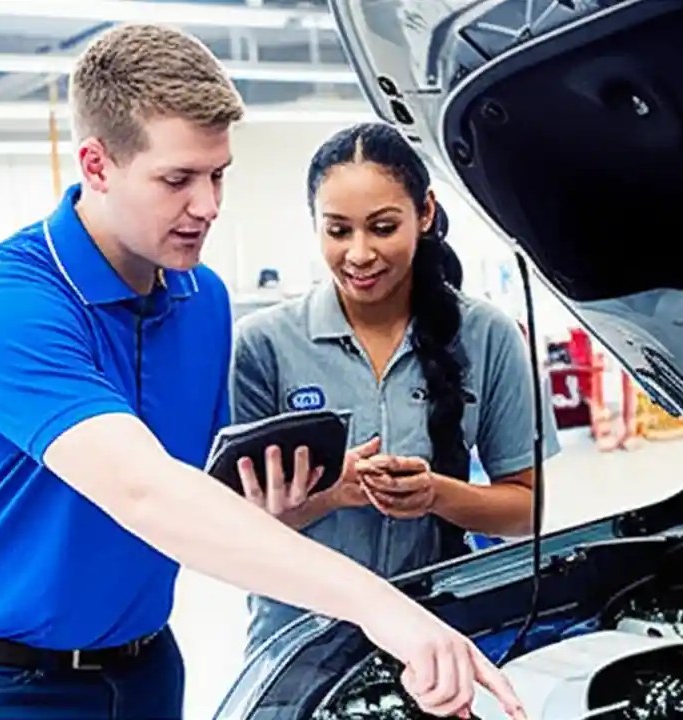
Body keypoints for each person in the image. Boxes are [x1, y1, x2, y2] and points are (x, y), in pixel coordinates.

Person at [0, 24, 526, 720]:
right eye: (177, 180)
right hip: (3, 684)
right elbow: (144, 491)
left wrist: (303, 500)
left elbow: (199, 489)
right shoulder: (10, 302)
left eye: (218, 174)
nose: (207, 205)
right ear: (97, 165)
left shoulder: (202, 301)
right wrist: (381, 607)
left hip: (146, 664)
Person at [231, 121, 563, 656]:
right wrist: (332, 493)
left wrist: (437, 494)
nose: (359, 254)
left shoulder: (488, 336)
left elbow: (527, 512)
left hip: (438, 636)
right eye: (338, 231)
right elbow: (236, 532)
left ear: (425, 213)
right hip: (300, 642)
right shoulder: (262, 345)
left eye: (383, 227)